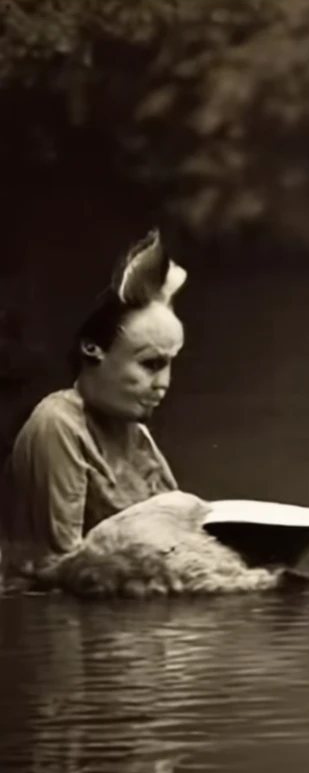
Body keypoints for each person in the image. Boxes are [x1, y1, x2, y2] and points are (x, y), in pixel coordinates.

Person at [0, 229, 187, 584]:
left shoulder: (134, 432)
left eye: (169, 365)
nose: (163, 384)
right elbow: (58, 566)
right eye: (149, 365)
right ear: (93, 350)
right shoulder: (57, 424)